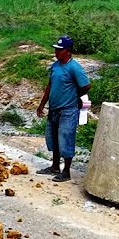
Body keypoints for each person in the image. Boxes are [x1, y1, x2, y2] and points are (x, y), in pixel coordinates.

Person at [35, 35, 91, 182]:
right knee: (53, 138)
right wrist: (42, 104)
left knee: (66, 139)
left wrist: (75, 96)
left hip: (68, 110)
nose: (56, 52)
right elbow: (50, 85)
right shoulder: (55, 66)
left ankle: (66, 172)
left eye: (59, 50)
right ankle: (55, 166)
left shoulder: (74, 67)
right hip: (54, 108)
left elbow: (86, 85)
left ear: (68, 51)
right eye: (56, 49)